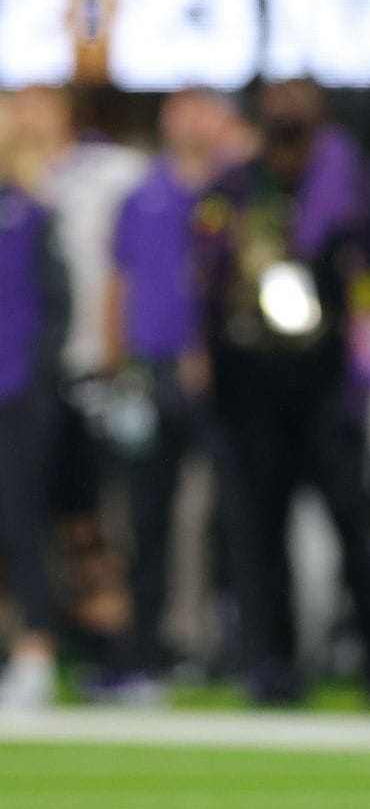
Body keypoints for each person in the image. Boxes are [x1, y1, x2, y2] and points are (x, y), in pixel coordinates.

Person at [191, 79, 370, 707]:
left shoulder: (357, 185)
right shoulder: (232, 186)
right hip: (250, 378)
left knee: (352, 523)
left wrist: (359, 312)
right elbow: (204, 276)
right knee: (258, 533)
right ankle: (271, 665)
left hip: (326, 377)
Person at [101, 87, 239, 690]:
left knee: (231, 517)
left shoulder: (239, 191)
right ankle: (145, 649)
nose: (191, 120)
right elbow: (119, 279)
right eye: (181, 107)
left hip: (226, 378)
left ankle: (227, 645)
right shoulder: (142, 195)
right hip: (151, 371)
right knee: (144, 517)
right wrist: (116, 359)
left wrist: (212, 352)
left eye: (205, 107)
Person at [8, 85, 146, 669]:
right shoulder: (18, 192)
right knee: (20, 518)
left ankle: (116, 655)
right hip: (24, 375)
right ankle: (37, 645)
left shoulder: (110, 172)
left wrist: (122, 351)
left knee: (87, 524)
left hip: (87, 365)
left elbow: (133, 261)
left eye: (39, 103)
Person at [0, 118, 66, 711]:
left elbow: (56, 306)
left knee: (21, 525)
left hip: (16, 395)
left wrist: (35, 379)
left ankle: (36, 650)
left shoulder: (28, 212)